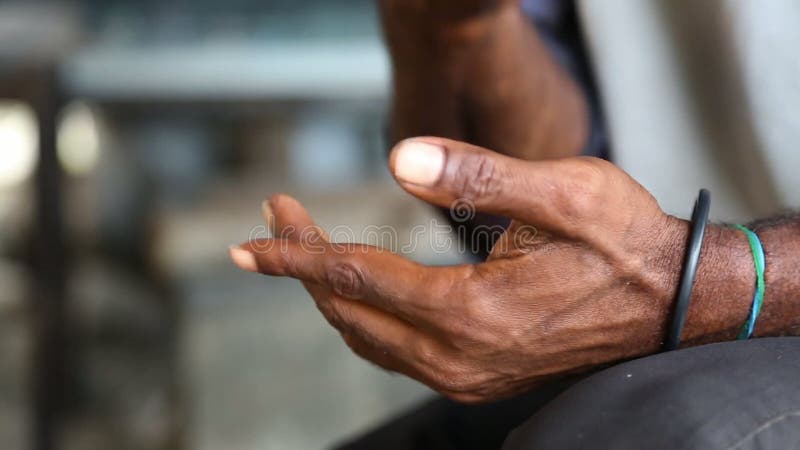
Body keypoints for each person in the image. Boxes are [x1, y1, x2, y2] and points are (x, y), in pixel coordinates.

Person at [230, 1, 800, 448]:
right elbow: (531, 196)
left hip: (755, 304)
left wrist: (708, 282)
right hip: (670, 311)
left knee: (642, 434)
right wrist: (467, 32)